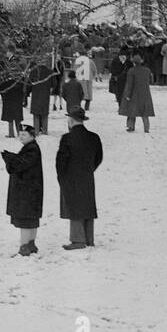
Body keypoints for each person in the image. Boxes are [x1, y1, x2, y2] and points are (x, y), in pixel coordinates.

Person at [56, 107, 103, 250]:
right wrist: (89, 169)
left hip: (71, 176)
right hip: (87, 175)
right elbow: (98, 157)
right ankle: (89, 238)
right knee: (88, 205)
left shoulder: (67, 138)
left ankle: (77, 240)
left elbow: (61, 161)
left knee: (74, 206)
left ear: (70, 120)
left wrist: (61, 176)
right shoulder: (94, 137)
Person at [1, 124, 43, 256]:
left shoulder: (31, 150)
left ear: (32, 136)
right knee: (31, 220)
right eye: (20, 134)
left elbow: (20, 164)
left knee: (25, 221)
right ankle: (31, 244)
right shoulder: (31, 148)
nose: (21, 137)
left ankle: (25, 247)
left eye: (24, 135)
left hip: (27, 193)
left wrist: (9, 158)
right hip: (32, 191)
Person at [120, 57, 155, 133]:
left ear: (134, 62)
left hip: (134, 94)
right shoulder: (147, 70)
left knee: (132, 110)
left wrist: (127, 95)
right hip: (145, 93)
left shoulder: (131, 71)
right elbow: (151, 80)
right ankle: (146, 128)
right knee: (145, 112)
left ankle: (131, 126)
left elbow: (129, 84)